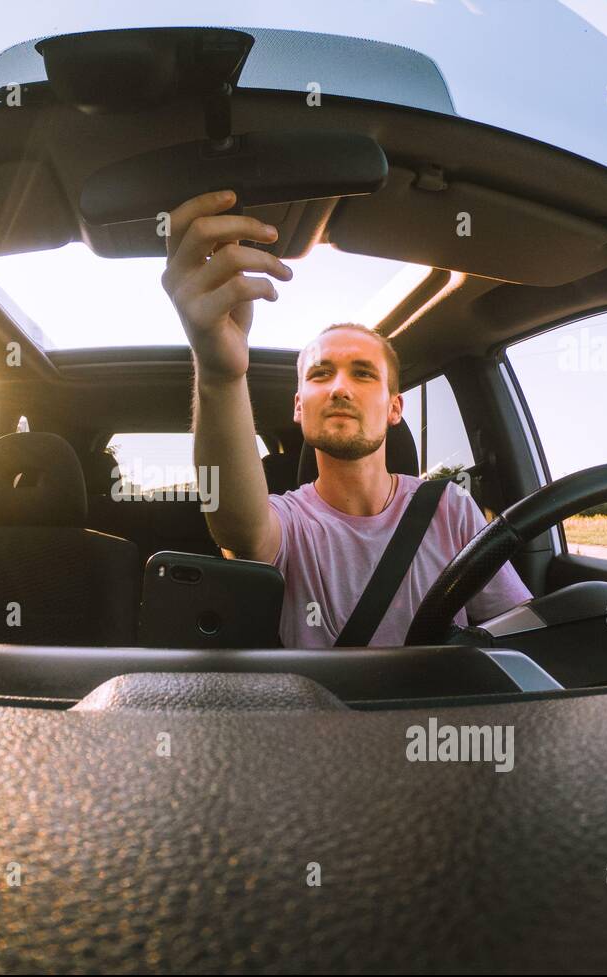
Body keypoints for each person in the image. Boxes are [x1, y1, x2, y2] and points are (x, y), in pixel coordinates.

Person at [161, 189, 532, 647]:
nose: (339, 387)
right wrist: (219, 375)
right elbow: (239, 529)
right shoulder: (288, 520)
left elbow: (518, 633)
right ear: (299, 406)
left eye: (362, 373)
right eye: (320, 374)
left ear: (395, 407)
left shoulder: (449, 509)